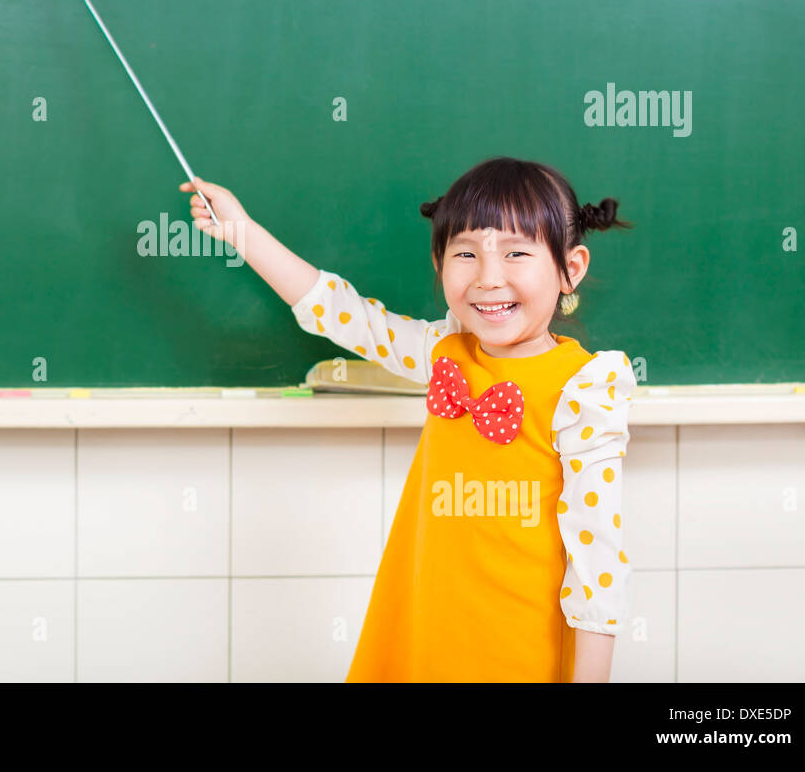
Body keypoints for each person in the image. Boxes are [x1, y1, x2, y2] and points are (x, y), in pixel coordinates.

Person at [180, 156, 637, 682]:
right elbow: (338, 311)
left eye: (516, 253)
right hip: (427, 631)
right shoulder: (442, 350)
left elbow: (597, 559)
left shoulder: (586, 386)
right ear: (441, 264)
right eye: (465, 253)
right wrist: (242, 232)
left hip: (520, 645)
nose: (489, 278)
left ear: (569, 268)